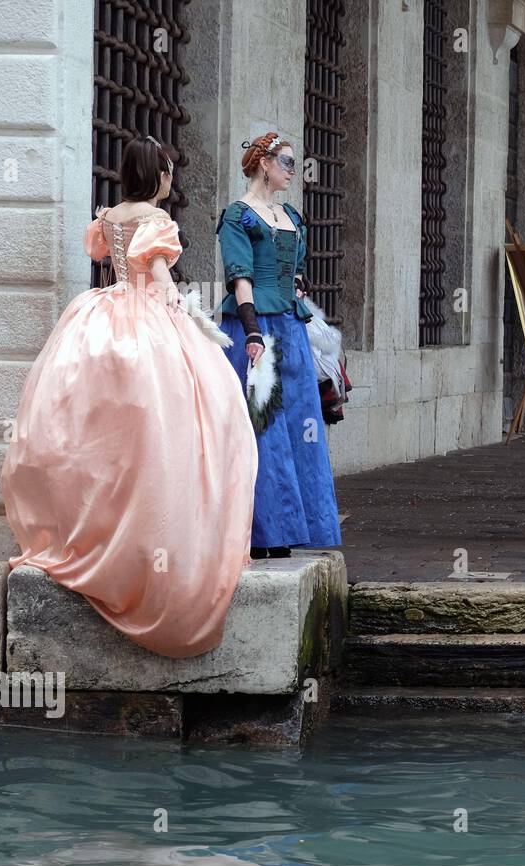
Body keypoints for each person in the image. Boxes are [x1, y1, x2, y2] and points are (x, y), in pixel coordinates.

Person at [0, 136, 257, 658]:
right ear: (157, 175)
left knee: (99, 430)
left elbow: (105, 256)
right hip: (145, 318)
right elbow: (160, 281)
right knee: (184, 417)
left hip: (105, 314)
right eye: (167, 170)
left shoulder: (111, 217)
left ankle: (90, 529)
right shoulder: (157, 221)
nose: (171, 179)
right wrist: (186, 313)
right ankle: (157, 542)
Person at [218, 132, 342, 559]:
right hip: (258, 330)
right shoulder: (239, 216)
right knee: (262, 427)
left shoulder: (291, 215)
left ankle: (294, 528)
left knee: (300, 425)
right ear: (264, 163)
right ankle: (263, 534)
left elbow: (295, 271)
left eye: (293, 163)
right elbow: (242, 279)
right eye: (286, 162)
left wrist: (298, 286)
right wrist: (252, 332)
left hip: (291, 326)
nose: (293, 170)